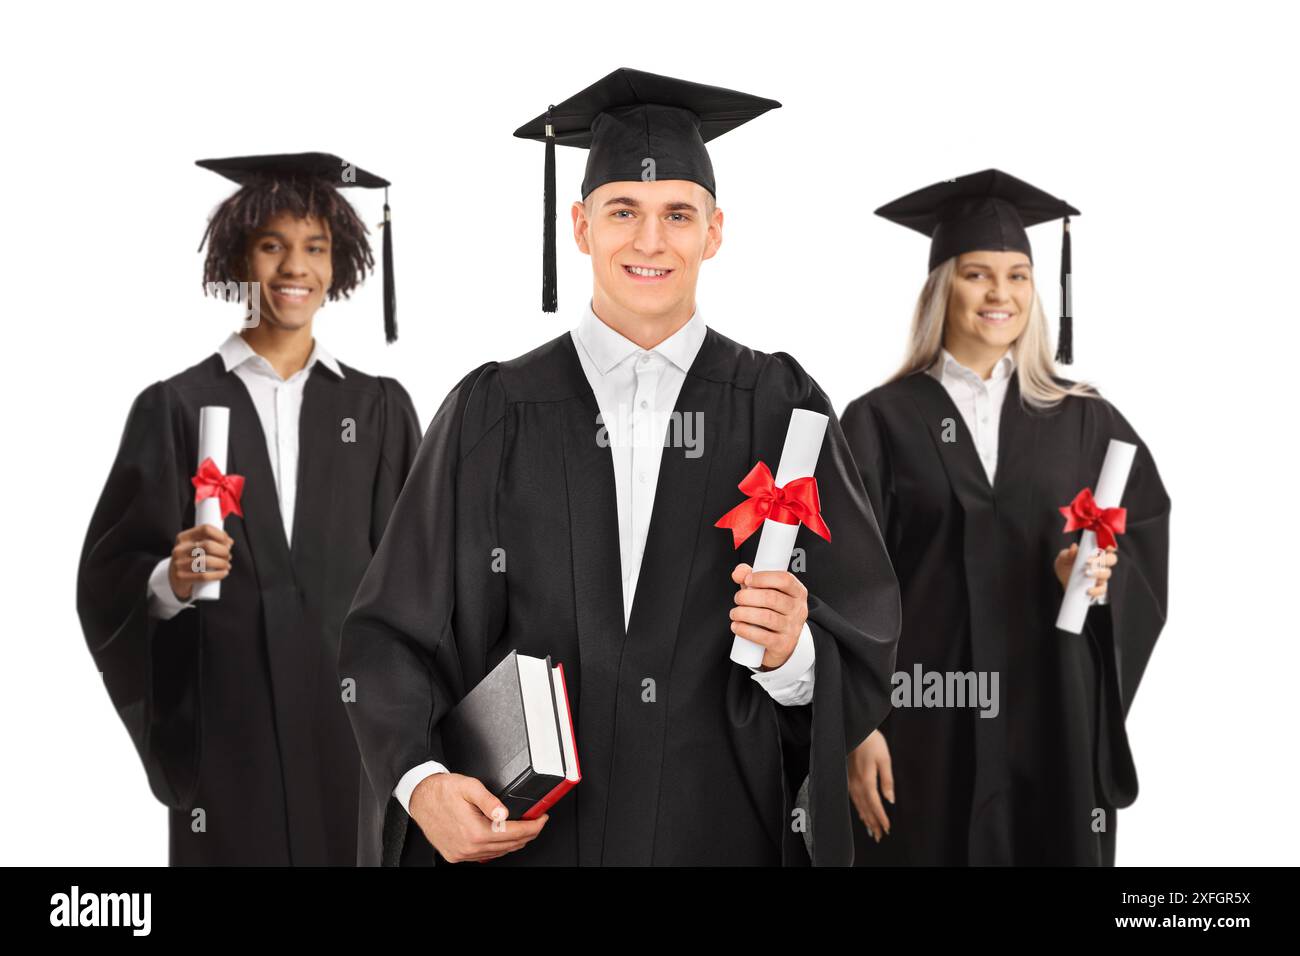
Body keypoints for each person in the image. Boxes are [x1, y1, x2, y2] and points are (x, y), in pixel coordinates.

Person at [340, 68, 900, 866]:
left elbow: (864, 639)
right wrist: (424, 783)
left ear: (714, 231)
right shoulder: (494, 409)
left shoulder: (781, 406)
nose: (649, 240)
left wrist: (794, 653)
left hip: (718, 837)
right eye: (623, 212)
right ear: (580, 225)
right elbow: (388, 633)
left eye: (677, 213)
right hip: (529, 842)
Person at [76, 152, 421, 865]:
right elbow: (106, 579)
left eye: (316, 248)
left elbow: (418, 580)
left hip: (350, 734)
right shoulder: (174, 406)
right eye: (272, 246)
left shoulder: (379, 410)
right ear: (238, 258)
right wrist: (170, 581)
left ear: (340, 262)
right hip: (227, 730)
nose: (295, 267)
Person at [841, 169, 1170, 865]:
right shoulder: (879, 421)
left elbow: (1141, 541)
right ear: (941, 289)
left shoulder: (1086, 419)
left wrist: (1093, 579)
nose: (1001, 294)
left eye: (1019, 276)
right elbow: (841, 585)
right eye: (977, 274)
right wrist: (854, 727)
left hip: (1051, 716)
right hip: (922, 723)